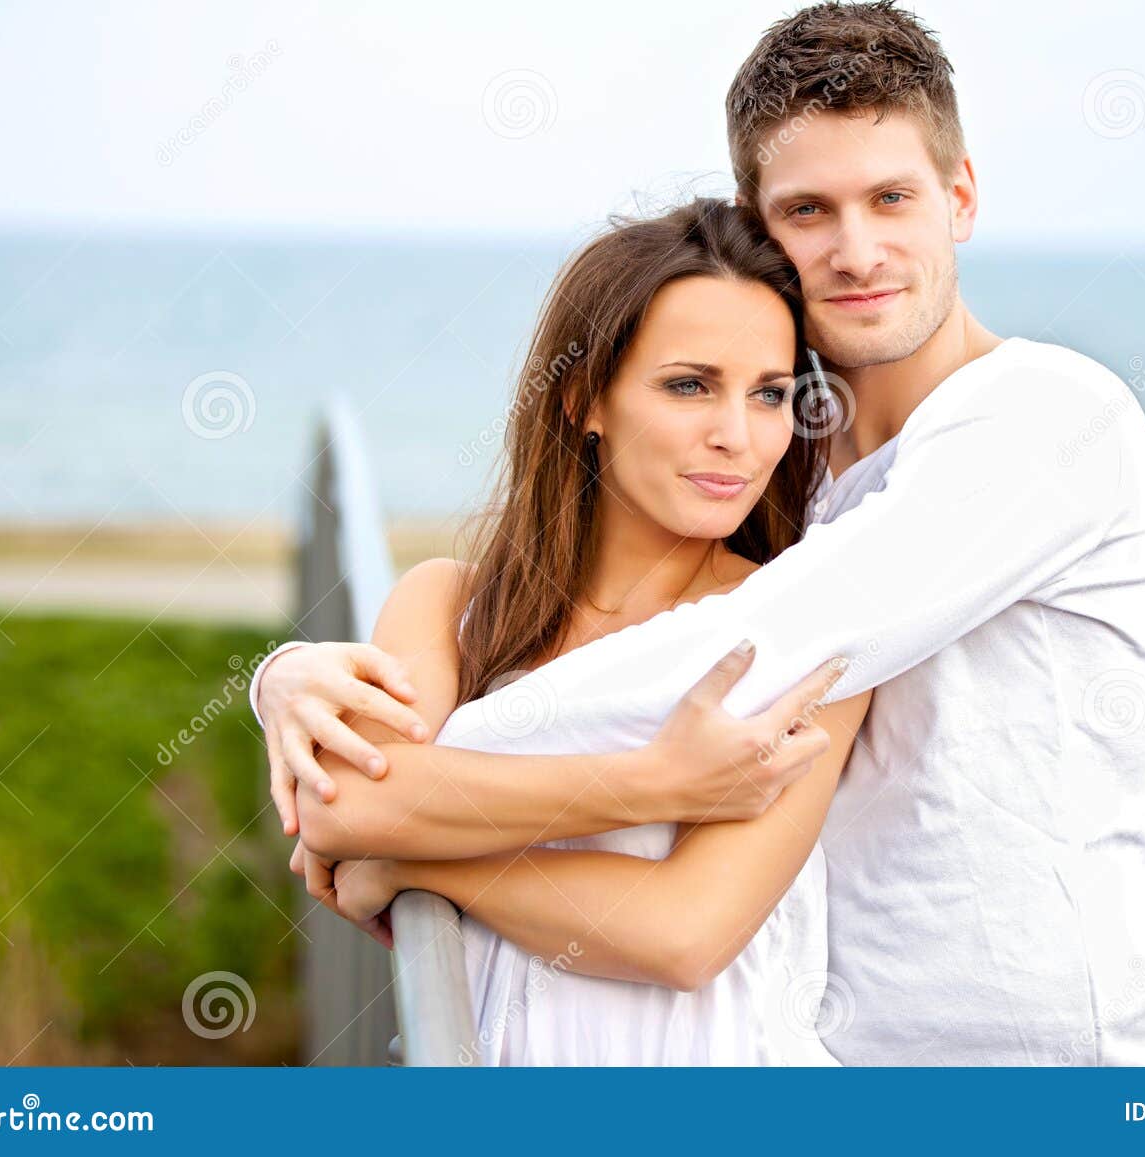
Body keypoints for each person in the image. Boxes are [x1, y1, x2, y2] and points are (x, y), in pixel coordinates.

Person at [256, 1, 1145, 1066]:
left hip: (1038, 1062)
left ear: (959, 196)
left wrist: (396, 828)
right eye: (809, 209)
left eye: (892, 197)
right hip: (841, 1048)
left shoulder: (1040, 417)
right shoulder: (813, 497)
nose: (857, 248)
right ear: (761, 226)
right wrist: (296, 680)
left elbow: (723, 668)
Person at [294, 196, 873, 1064]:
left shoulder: (802, 630)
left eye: (770, 395)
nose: (737, 437)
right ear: (583, 397)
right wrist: (658, 781)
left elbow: (685, 934)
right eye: (689, 384)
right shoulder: (450, 605)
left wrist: (418, 865)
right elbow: (350, 804)